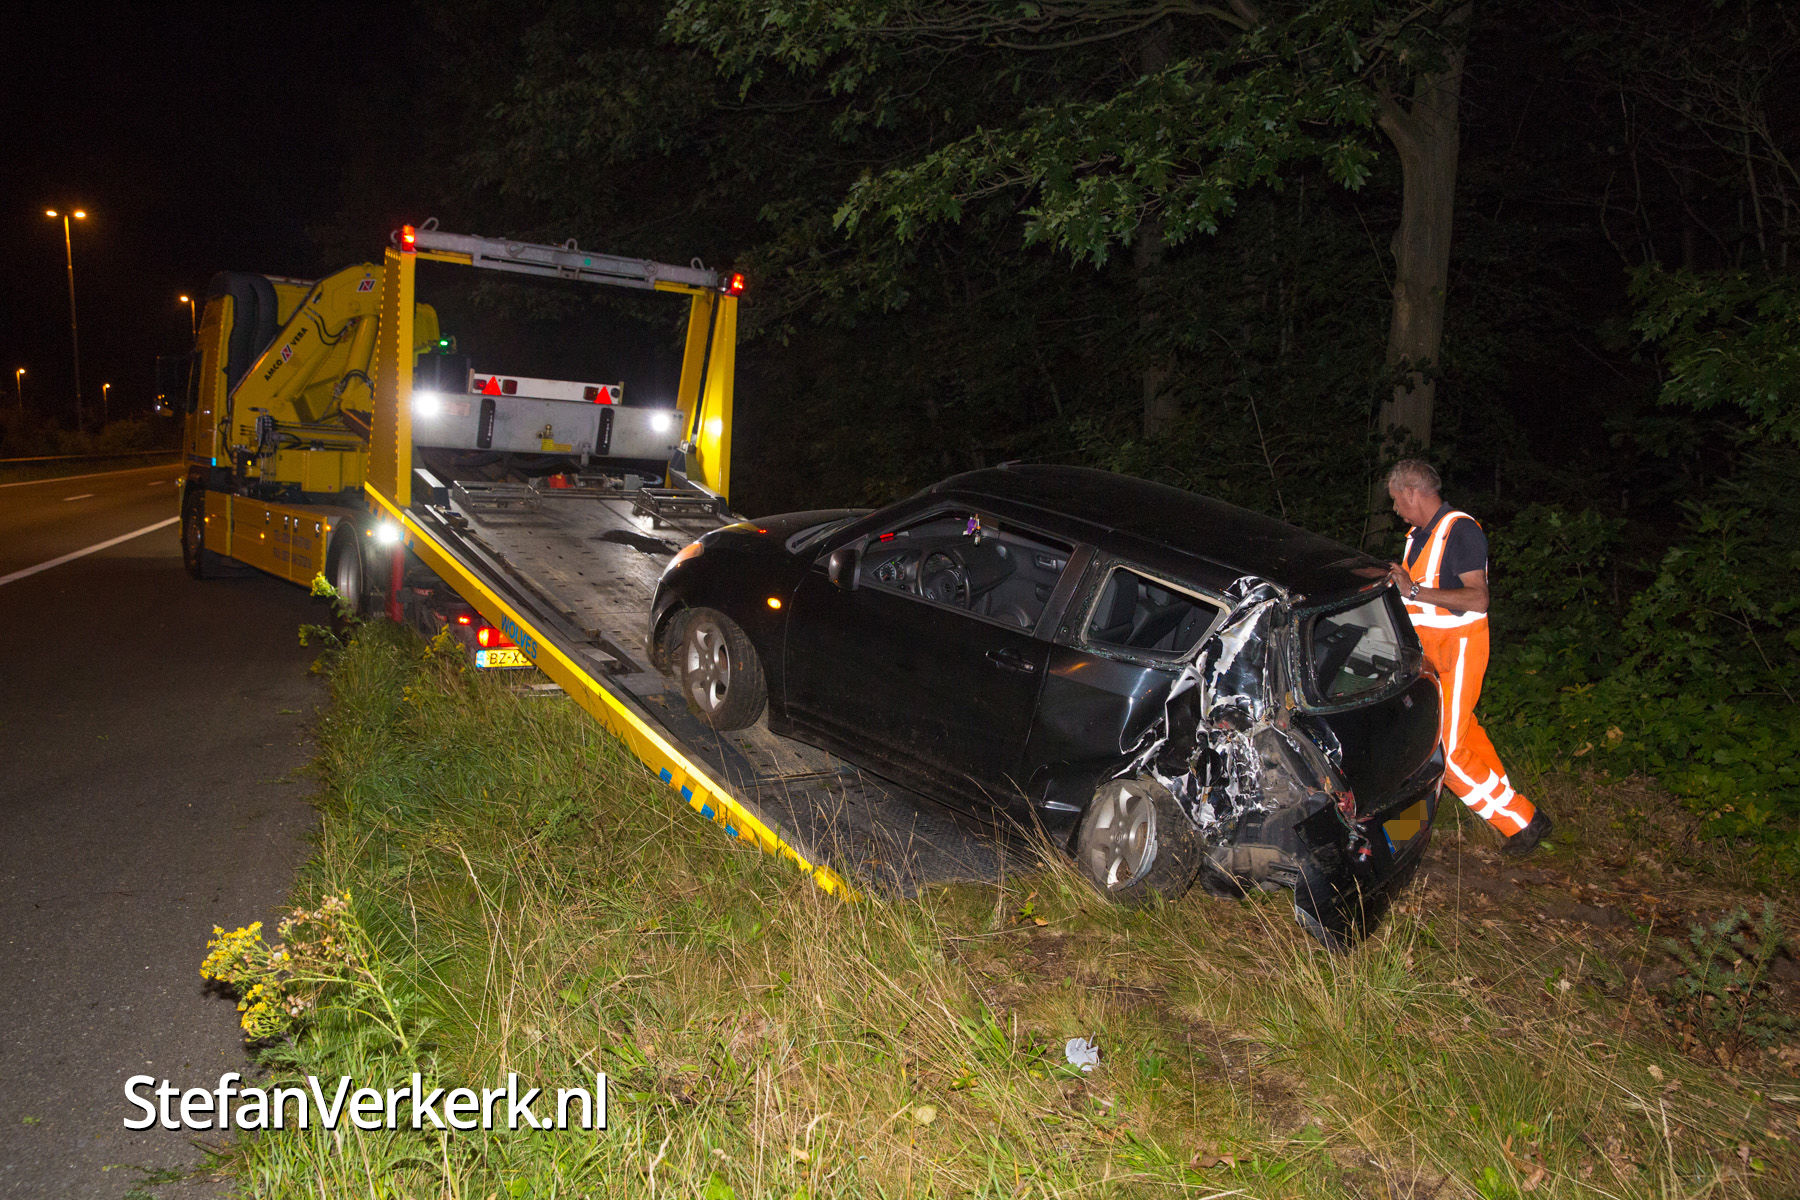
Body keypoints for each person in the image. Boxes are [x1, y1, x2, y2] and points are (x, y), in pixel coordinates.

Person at [1385, 459, 1553, 857]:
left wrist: (1412, 592)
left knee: (1445, 749)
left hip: (1459, 649)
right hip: (1431, 653)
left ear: (1412, 492)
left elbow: (1478, 597)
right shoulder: (1418, 536)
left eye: (1395, 500)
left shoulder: (1460, 531)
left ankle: (1525, 823)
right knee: (1465, 736)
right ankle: (1502, 800)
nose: (1394, 509)